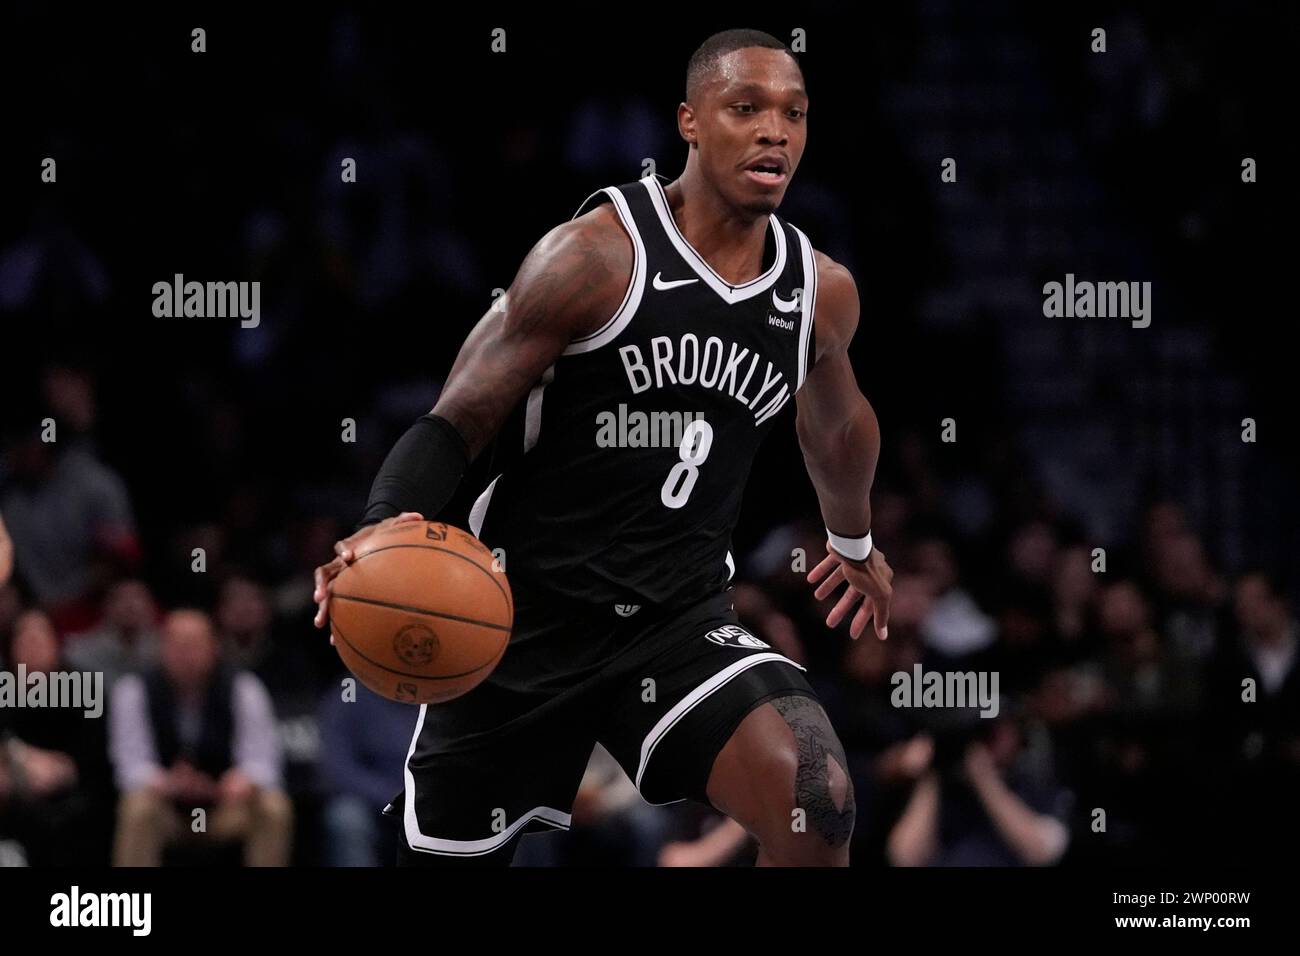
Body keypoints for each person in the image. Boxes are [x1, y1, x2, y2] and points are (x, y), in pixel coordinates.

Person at [314, 28, 894, 867]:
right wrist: (378, 526)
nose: (777, 132)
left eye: (794, 114)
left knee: (819, 794)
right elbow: (460, 416)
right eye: (748, 109)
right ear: (690, 122)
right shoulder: (592, 255)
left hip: (676, 620)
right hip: (513, 622)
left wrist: (853, 540)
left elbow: (836, 428)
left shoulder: (820, 291)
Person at [108, 608, 292, 866]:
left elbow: (263, 764)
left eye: (194, 645)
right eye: (178, 646)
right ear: (162, 648)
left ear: (214, 647)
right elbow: (130, 767)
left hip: (225, 807)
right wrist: (170, 783)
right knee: (137, 808)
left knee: (274, 807)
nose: (186, 655)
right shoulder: (134, 690)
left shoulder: (243, 687)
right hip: (167, 810)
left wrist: (239, 781)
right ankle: (134, 904)